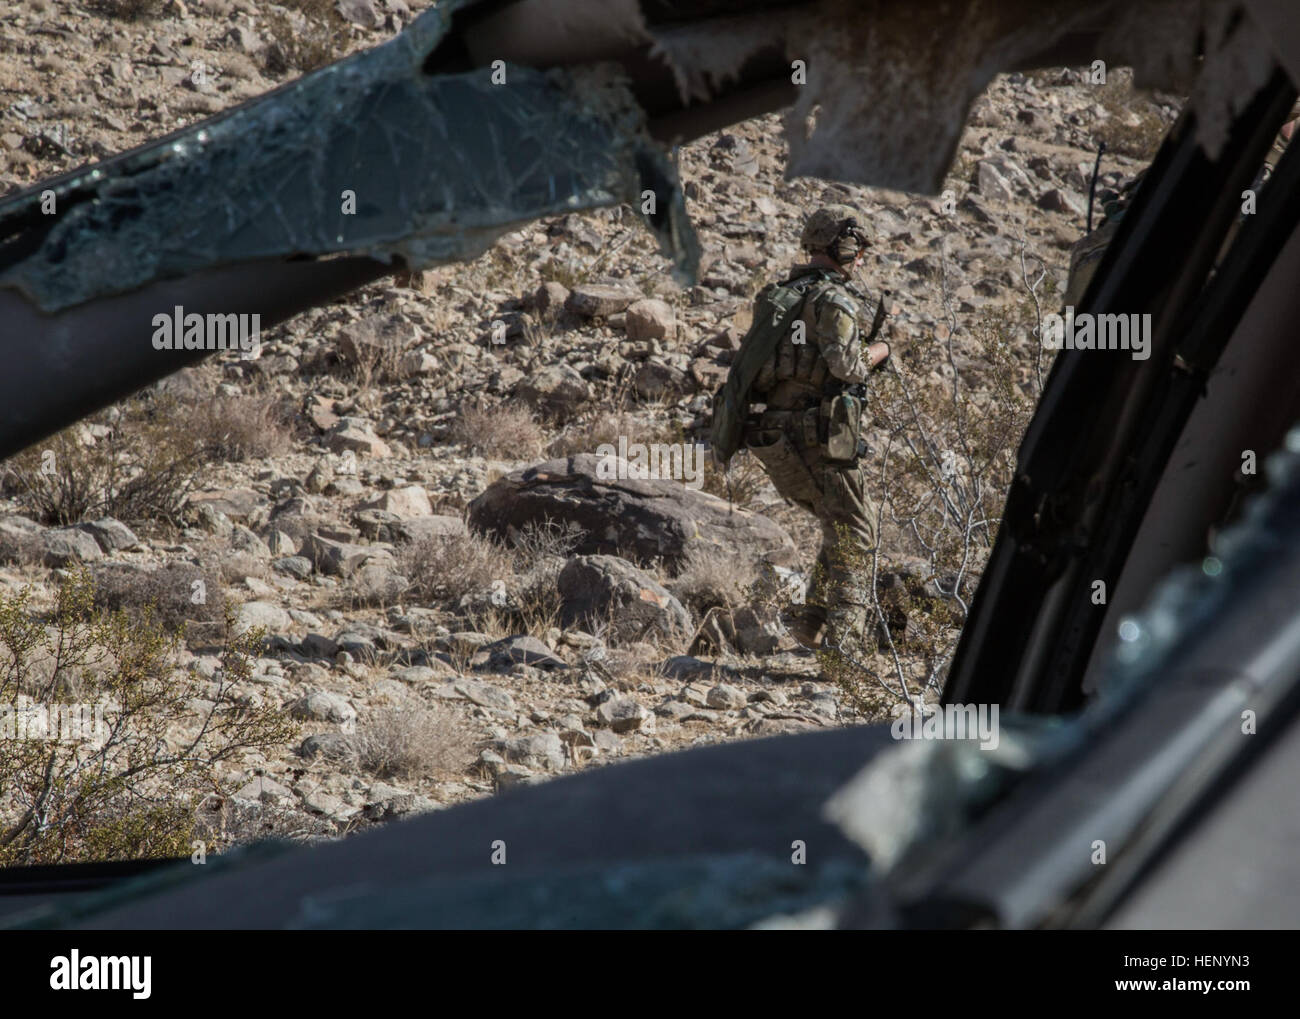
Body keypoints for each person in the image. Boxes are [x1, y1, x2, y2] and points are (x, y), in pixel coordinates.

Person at [738, 204, 892, 652]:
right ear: (842, 247)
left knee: (838, 523)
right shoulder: (833, 299)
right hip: (819, 435)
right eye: (858, 248)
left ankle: (812, 622)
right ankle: (844, 649)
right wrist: (881, 350)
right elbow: (847, 366)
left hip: (777, 434)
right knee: (858, 534)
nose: (860, 258)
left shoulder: (780, 295)